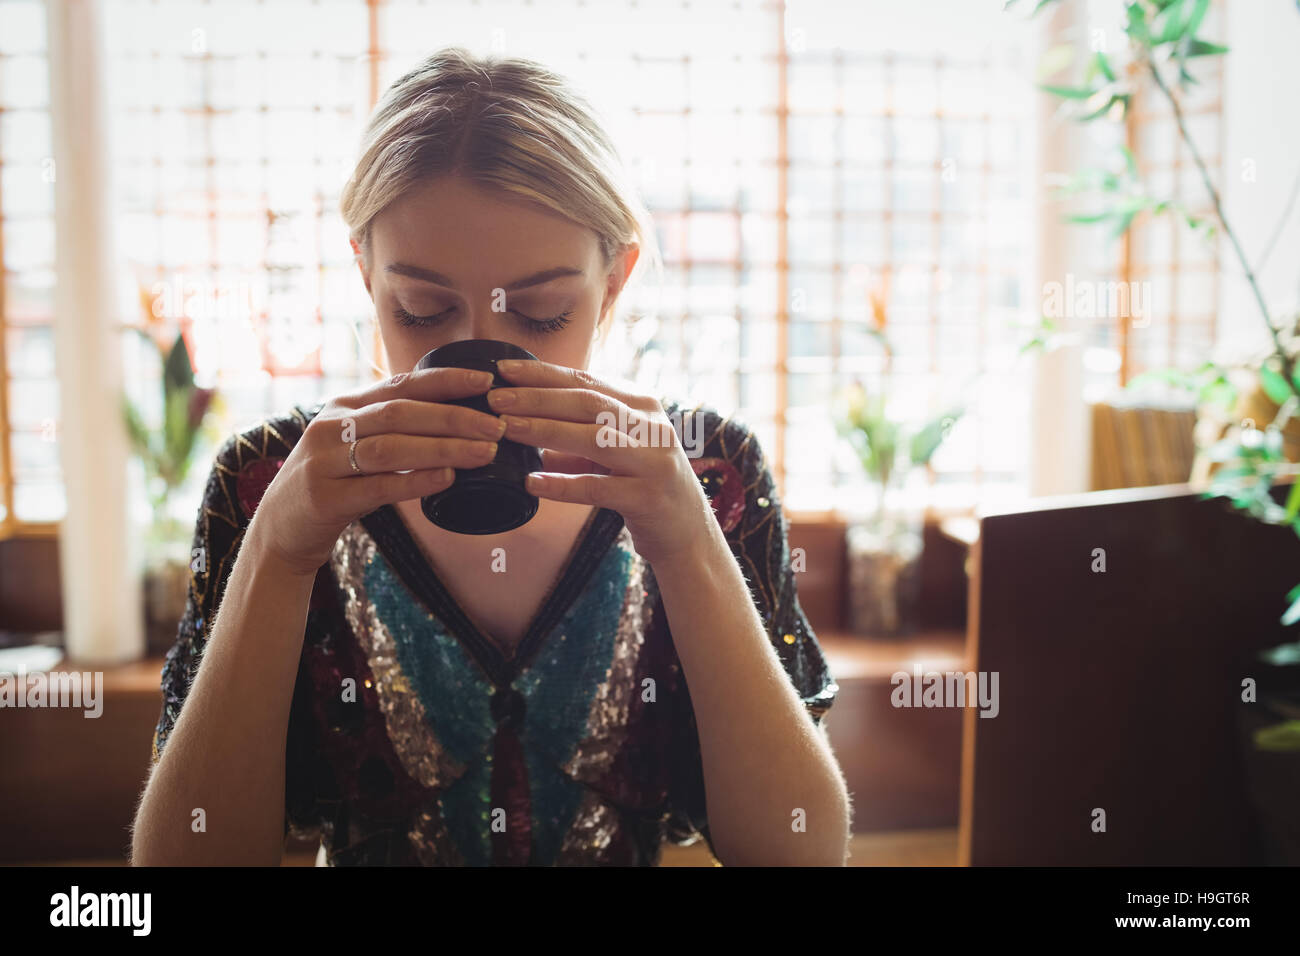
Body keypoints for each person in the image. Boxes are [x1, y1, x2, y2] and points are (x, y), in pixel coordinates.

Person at [130, 47, 847, 867]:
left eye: (542, 315)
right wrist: (276, 551)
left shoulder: (707, 470)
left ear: (614, 284)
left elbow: (802, 851)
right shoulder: (271, 481)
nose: (479, 365)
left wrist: (686, 542)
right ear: (366, 278)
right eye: (422, 310)